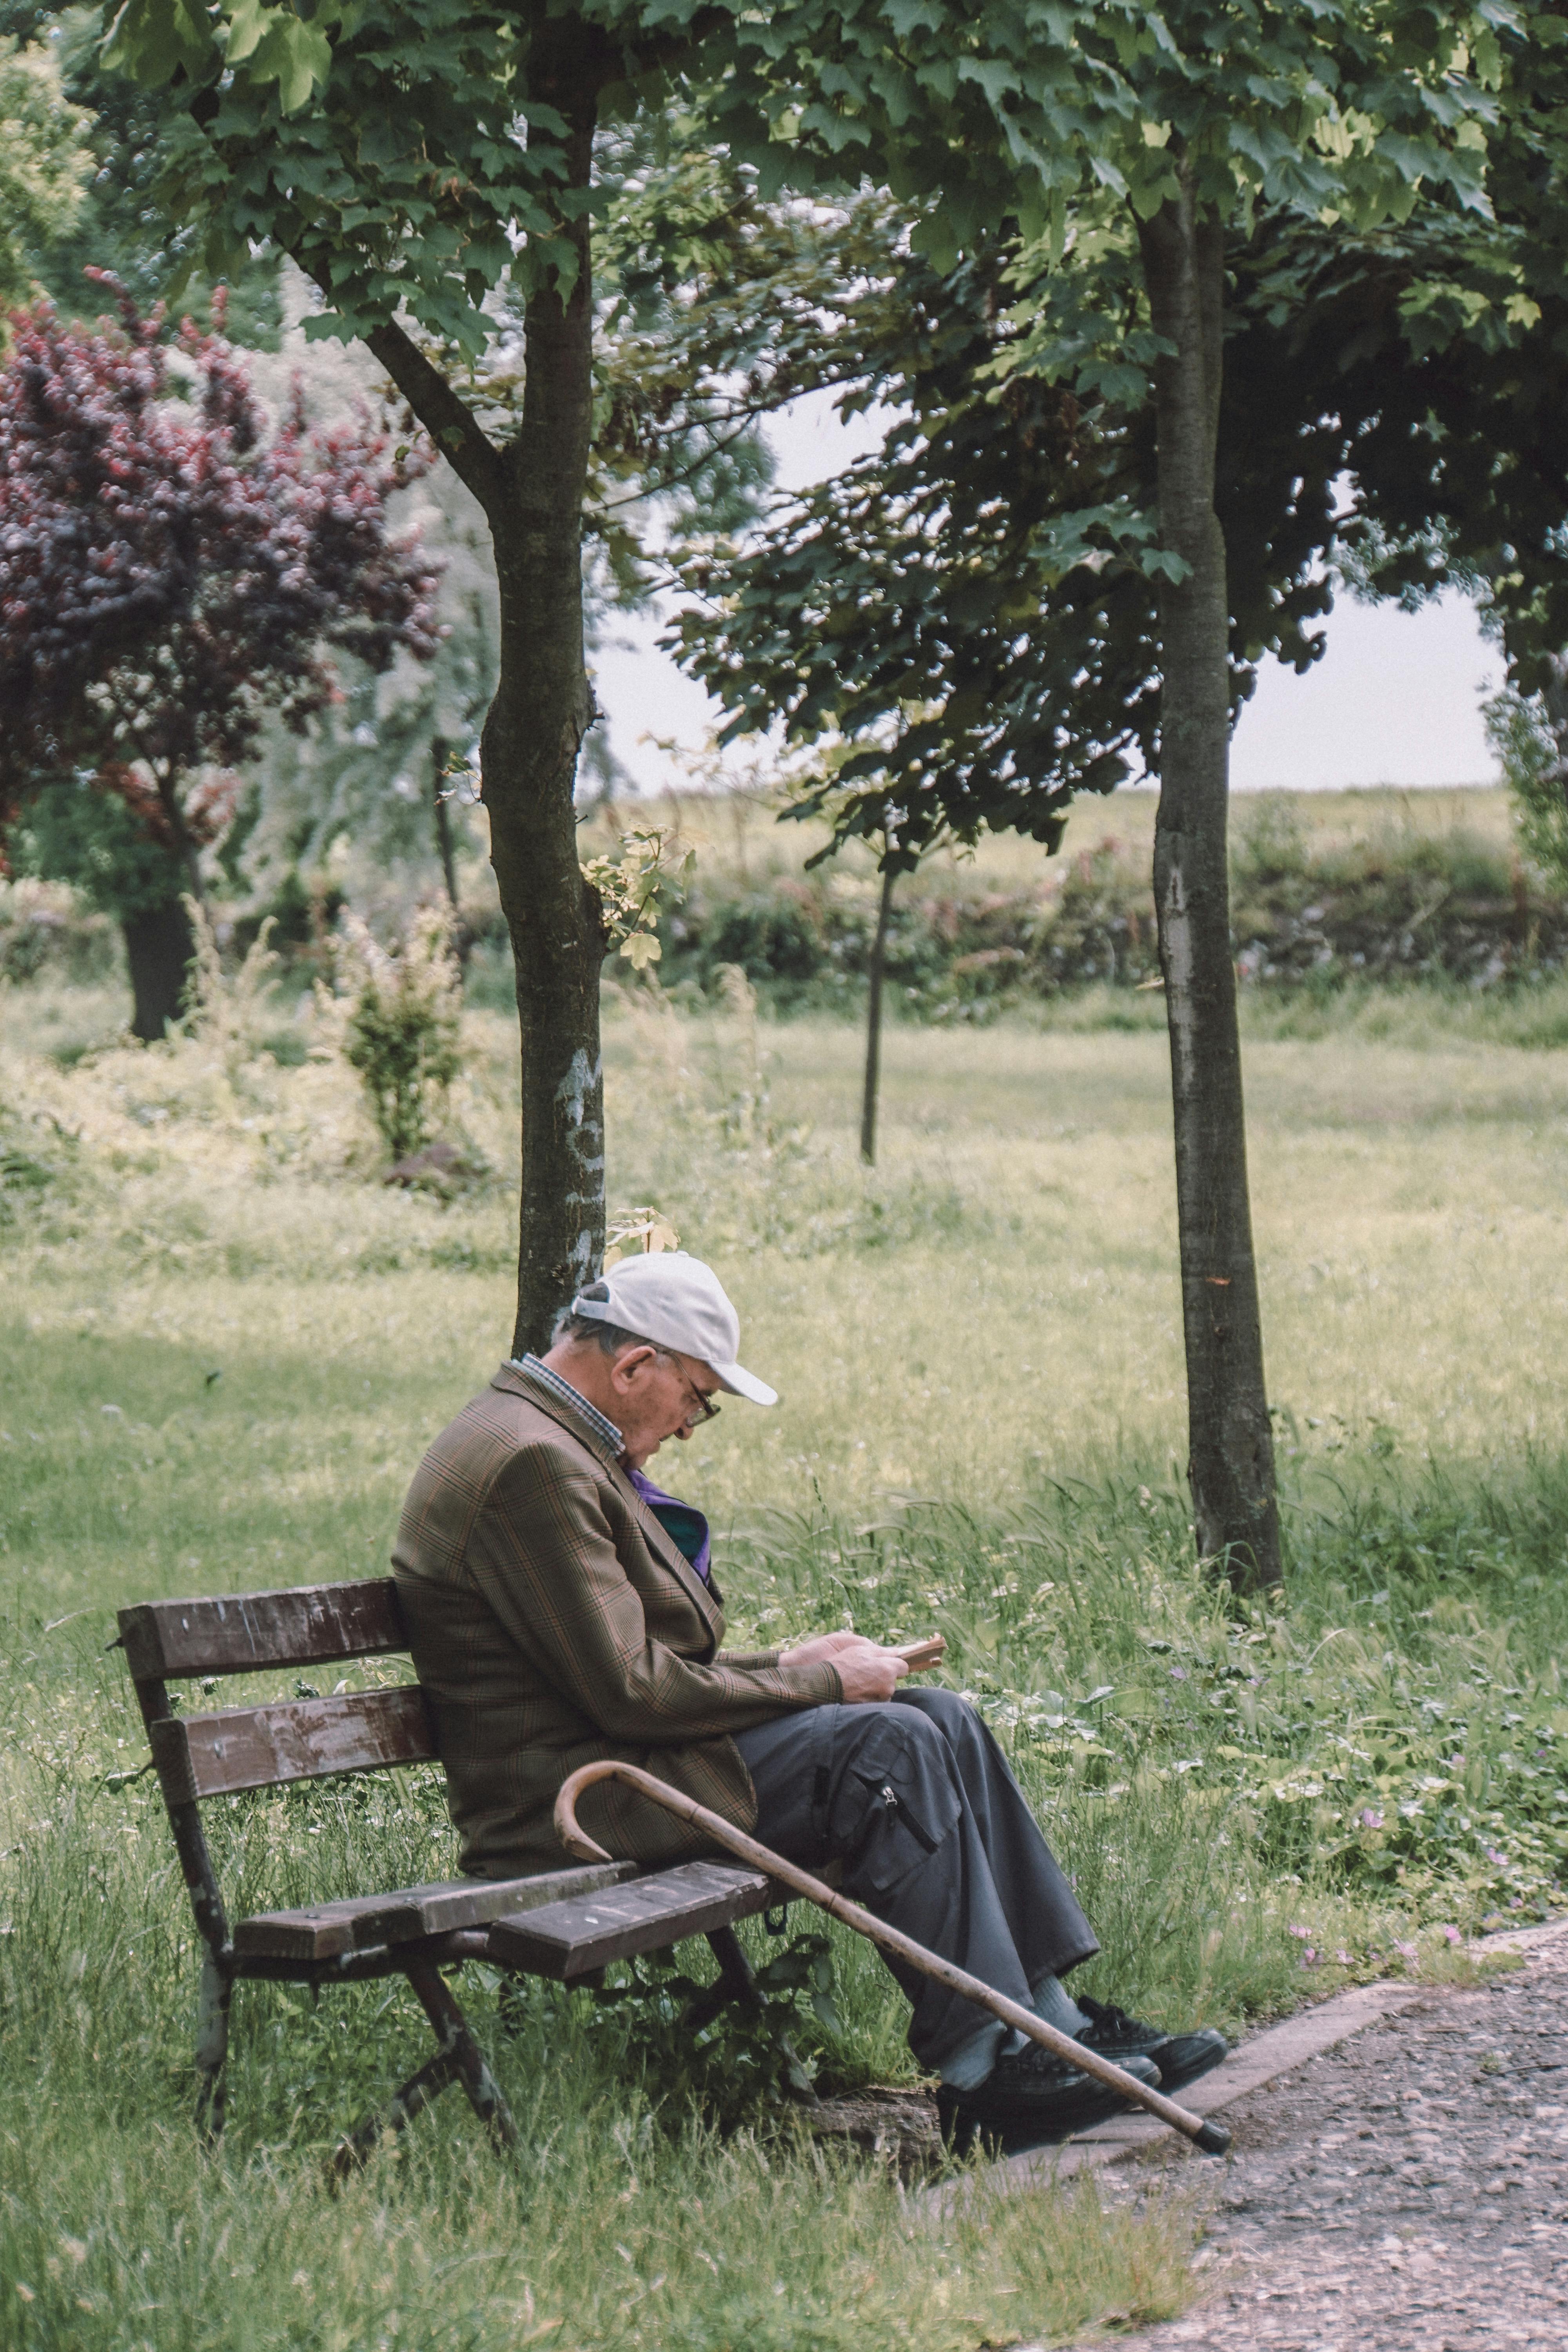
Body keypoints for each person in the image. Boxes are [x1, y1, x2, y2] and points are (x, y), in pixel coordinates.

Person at [393, 1250, 1226, 2145]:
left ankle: (1049, 2023)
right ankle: (986, 2069)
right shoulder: (534, 1462)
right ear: (635, 1366)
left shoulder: (543, 1435)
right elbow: (633, 1692)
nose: (687, 1427)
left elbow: (618, 1667)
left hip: (623, 1759)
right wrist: (821, 1682)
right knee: (887, 1748)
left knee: (939, 1717)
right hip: (581, 1800)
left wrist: (788, 1660)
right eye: (697, 1399)